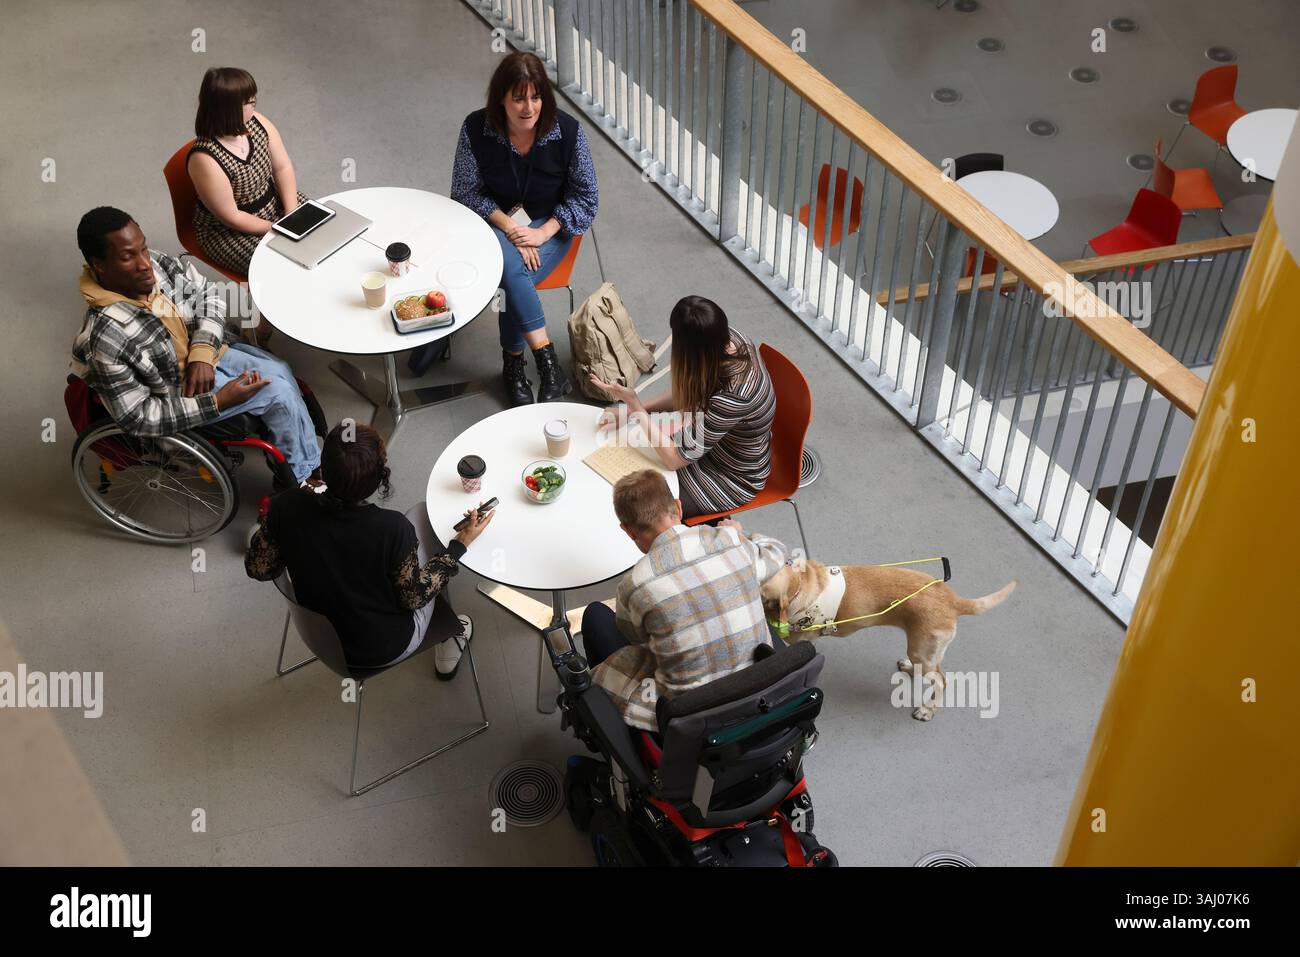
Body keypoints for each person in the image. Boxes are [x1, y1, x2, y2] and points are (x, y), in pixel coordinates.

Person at [71, 206, 323, 484]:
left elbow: (209, 297)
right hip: (179, 394)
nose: (145, 264)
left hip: (210, 354)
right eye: (127, 257)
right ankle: (298, 480)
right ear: (99, 265)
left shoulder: (157, 264)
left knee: (281, 369)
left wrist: (202, 354)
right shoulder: (104, 339)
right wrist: (217, 402)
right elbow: (138, 418)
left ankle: (305, 464)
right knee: (278, 394)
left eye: (143, 248)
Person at [244, 424, 495, 675]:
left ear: (324, 466)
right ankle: (449, 640)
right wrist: (458, 547)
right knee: (421, 514)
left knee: (413, 521)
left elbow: (259, 569)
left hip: (320, 635)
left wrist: (295, 535)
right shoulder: (392, 528)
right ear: (378, 478)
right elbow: (413, 598)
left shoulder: (285, 504)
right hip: (382, 648)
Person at [581, 469, 788, 731]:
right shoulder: (730, 542)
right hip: (757, 687)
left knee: (596, 617)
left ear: (628, 531)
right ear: (678, 508)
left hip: (690, 712)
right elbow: (777, 554)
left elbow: (633, 636)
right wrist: (739, 533)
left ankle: (609, 725)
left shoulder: (634, 585)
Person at [449, 51, 599, 406]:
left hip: (553, 226)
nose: (529, 107)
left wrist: (542, 232)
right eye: (518, 98)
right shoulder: (476, 128)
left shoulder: (568, 132)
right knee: (510, 264)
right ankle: (547, 364)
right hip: (497, 224)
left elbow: (587, 197)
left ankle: (514, 363)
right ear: (501, 98)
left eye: (536, 96)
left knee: (508, 270)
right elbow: (463, 192)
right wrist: (510, 227)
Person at [591, 296, 775, 519]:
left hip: (729, 477)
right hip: (710, 446)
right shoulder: (730, 340)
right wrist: (629, 412)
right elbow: (690, 394)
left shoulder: (732, 397)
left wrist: (635, 407)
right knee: (631, 465)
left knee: (637, 508)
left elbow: (674, 459)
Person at [187, 67, 309, 278]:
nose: (254, 104)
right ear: (228, 109)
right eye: (249, 102)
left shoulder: (258, 123)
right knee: (286, 267)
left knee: (318, 231)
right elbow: (232, 217)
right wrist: (280, 229)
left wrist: (291, 213)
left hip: (272, 204)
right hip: (230, 231)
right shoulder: (204, 159)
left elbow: (282, 167)